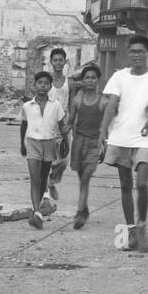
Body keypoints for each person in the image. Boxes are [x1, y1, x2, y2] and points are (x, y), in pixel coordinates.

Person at [99, 36, 148, 251]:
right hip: (120, 137)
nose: (136, 55)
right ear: (128, 53)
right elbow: (110, 105)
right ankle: (131, 230)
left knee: (143, 183)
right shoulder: (119, 76)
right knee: (126, 185)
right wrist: (102, 131)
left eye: (140, 51)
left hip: (144, 137)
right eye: (133, 51)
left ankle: (142, 224)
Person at [20, 71, 68, 229]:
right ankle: (36, 211)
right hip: (33, 143)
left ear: (50, 86)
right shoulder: (27, 106)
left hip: (49, 143)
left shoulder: (56, 105)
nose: (43, 86)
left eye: (46, 83)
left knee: (42, 178)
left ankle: (37, 208)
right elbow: (24, 125)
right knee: (34, 178)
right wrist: (22, 144)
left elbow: (62, 126)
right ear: (34, 85)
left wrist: (66, 142)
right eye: (40, 83)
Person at [66, 63, 105, 229]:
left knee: (86, 178)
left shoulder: (103, 101)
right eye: (87, 78)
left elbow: (106, 125)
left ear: (97, 81)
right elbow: (70, 121)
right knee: (81, 178)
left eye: (93, 78)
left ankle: (80, 212)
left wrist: (105, 144)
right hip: (79, 142)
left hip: (94, 144)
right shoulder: (77, 100)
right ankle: (85, 208)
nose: (90, 81)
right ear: (82, 81)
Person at [46, 47, 76, 201]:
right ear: (51, 62)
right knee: (45, 157)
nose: (58, 63)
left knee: (64, 159)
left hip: (63, 122)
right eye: (55, 60)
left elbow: (72, 104)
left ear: (65, 62)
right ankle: (45, 191)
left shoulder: (69, 83)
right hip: (47, 122)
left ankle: (52, 181)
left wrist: (70, 123)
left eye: (60, 60)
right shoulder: (46, 80)